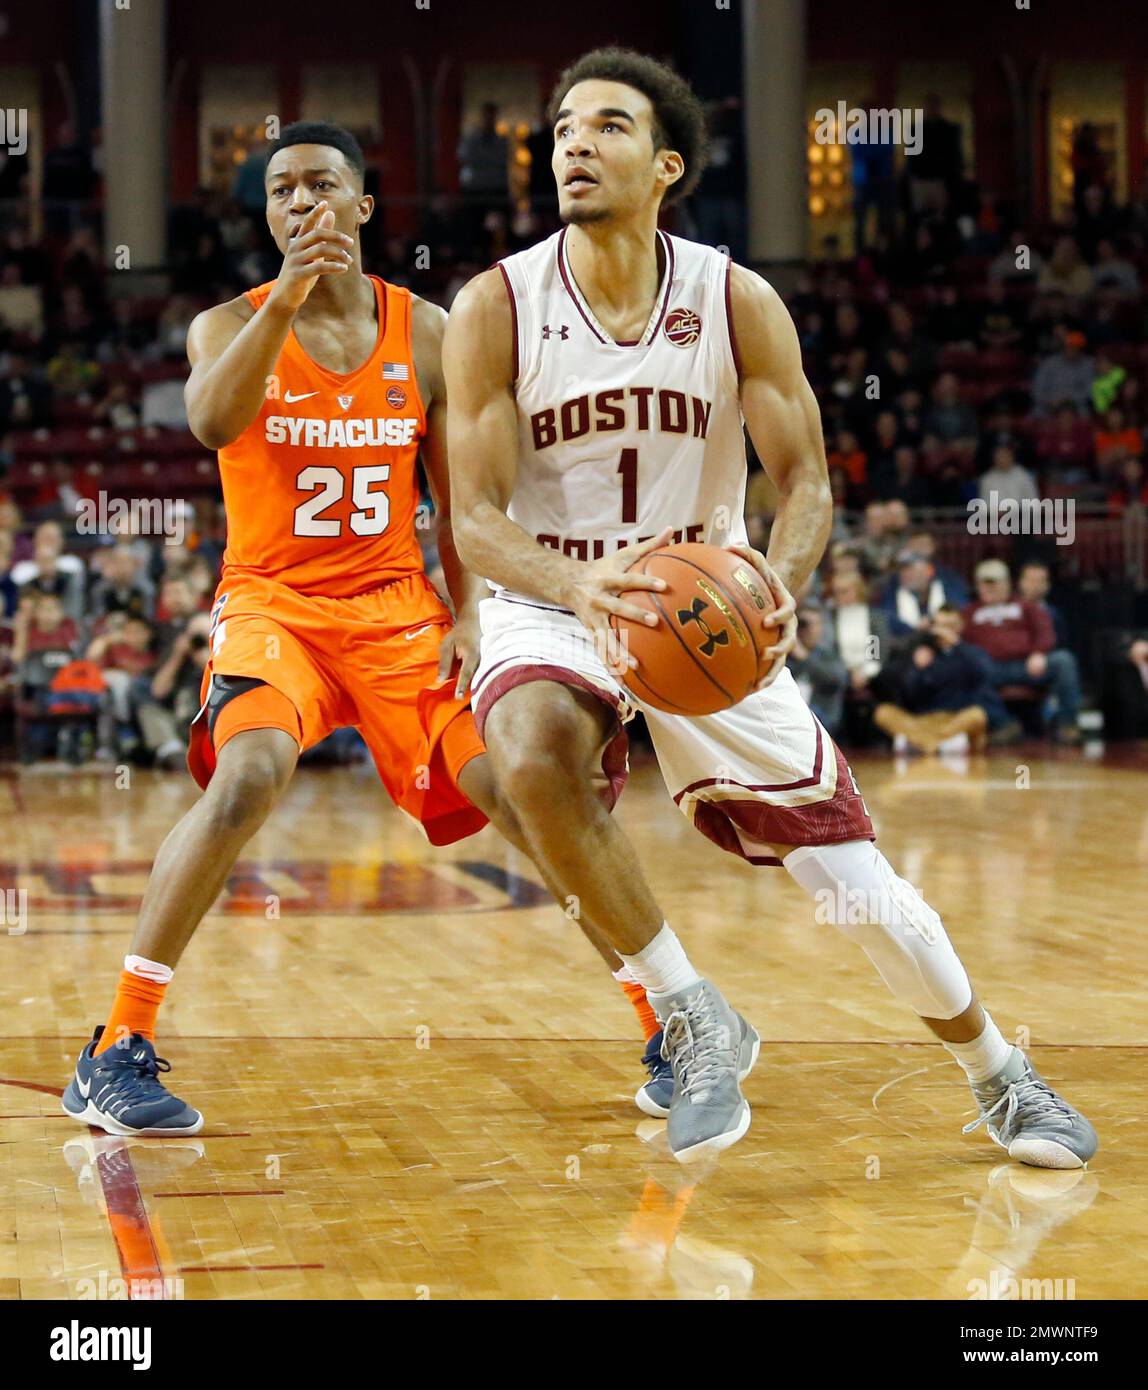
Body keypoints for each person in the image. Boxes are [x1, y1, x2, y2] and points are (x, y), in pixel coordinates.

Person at [443, 47, 1097, 1167]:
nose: (570, 145)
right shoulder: (495, 306)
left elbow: (803, 483)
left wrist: (776, 588)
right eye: (558, 129)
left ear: (666, 165)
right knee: (525, 751)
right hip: (558, 597)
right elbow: (474, 521)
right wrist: (575, 586)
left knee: (851, 880)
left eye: (603, 127)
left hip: (702, 607)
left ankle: (999, 1071)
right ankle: (691, 1013)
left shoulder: (734, 297)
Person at [62, 122, 655, 1138]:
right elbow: (208, 421)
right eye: (283, 191)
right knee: (247, 775)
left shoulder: (425, 331)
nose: (304, 204)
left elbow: (462, 499)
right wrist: (288, 296)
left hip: (396, 614)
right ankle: (116, 1044)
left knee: (525, 797)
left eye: (323, 186)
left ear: (363, 207)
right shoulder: (226, 323)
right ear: (268, 216)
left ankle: (666, 1022)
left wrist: (470, 611)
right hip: (273, 605)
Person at [962, 559, 1082, 743]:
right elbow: (960, 643)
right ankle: (1004, 724)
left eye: (994, 583)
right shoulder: (969, 613)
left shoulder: (1025, 607)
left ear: (1007, 584)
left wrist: (1039, 653)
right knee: (966, 672)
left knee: (1064, 660)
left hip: (1025, 665)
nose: (989, 588)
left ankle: (1068, 726)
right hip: (990, 668)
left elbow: (1045, 630)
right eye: (984, 583)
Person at [874, 606, 1007, 754]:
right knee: (883, 712)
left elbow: (988, 675)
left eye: (950, 625)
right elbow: (909, 693)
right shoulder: (922, 653)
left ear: (961, 627)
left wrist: (958, 646)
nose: (943, 631)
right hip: (922, 721)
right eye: (940, 625)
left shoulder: (970, 652)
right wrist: (917, 669)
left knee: (977, 715)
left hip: (955, 720)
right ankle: (939, 745)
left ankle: (922, 743)